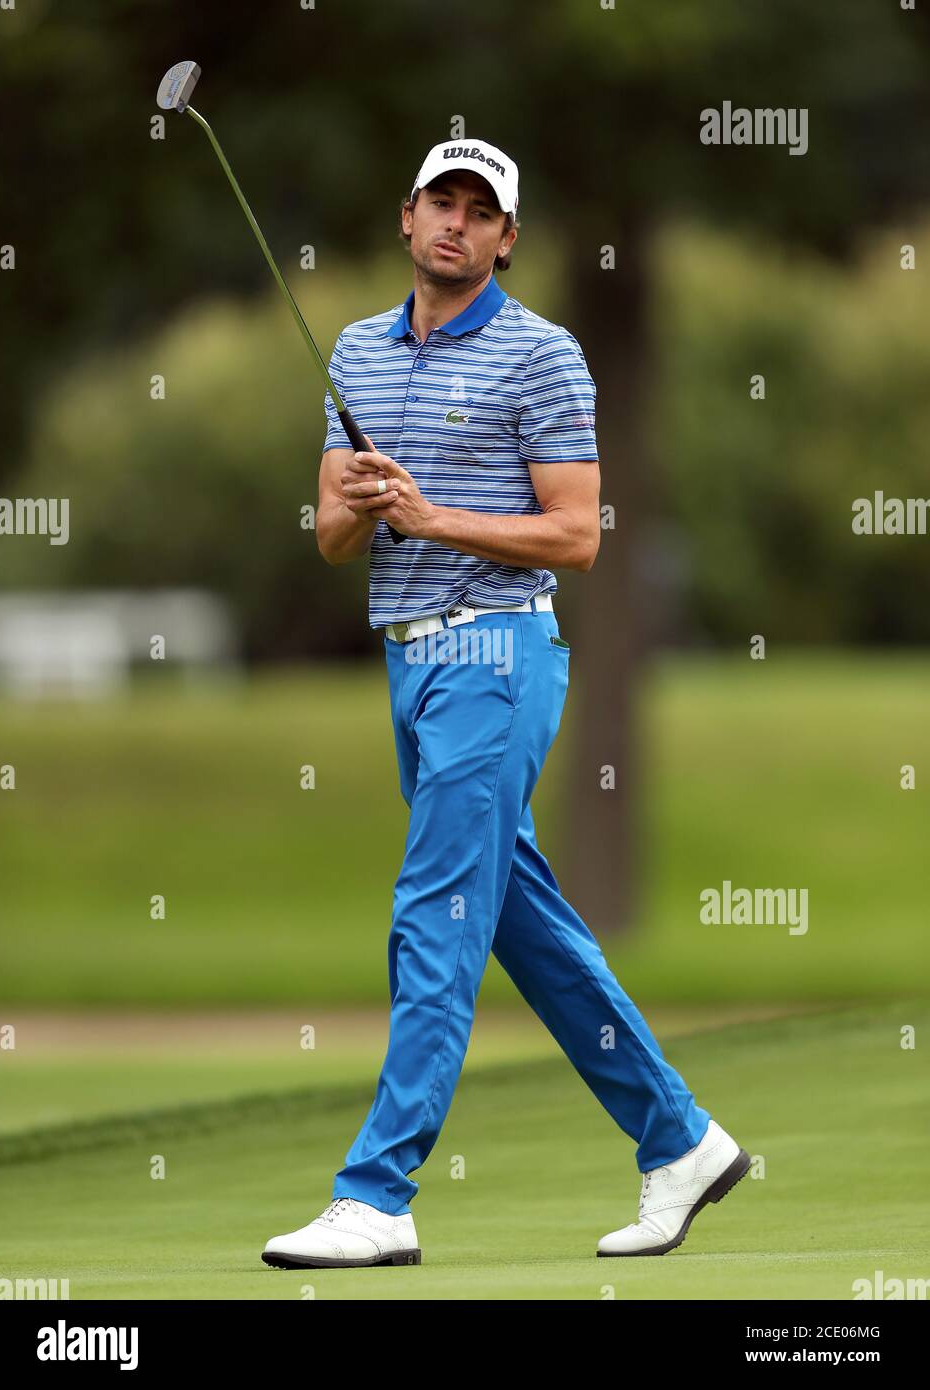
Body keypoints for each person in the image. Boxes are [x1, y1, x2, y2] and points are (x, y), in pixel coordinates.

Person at [262, 139, 749, 1270]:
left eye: (483, 212)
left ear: (507, 240)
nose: (458, 224)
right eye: (443, 201)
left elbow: (576, 537)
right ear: (407, 215)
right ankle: (679, 1141)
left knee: (432, 914)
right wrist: (362, 503)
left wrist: (435, 519)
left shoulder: (545, 356)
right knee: (523, 926)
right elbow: (334, 537)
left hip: (496, 655)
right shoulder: (355, 353)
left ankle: (378, 1192)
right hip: (407, 660)